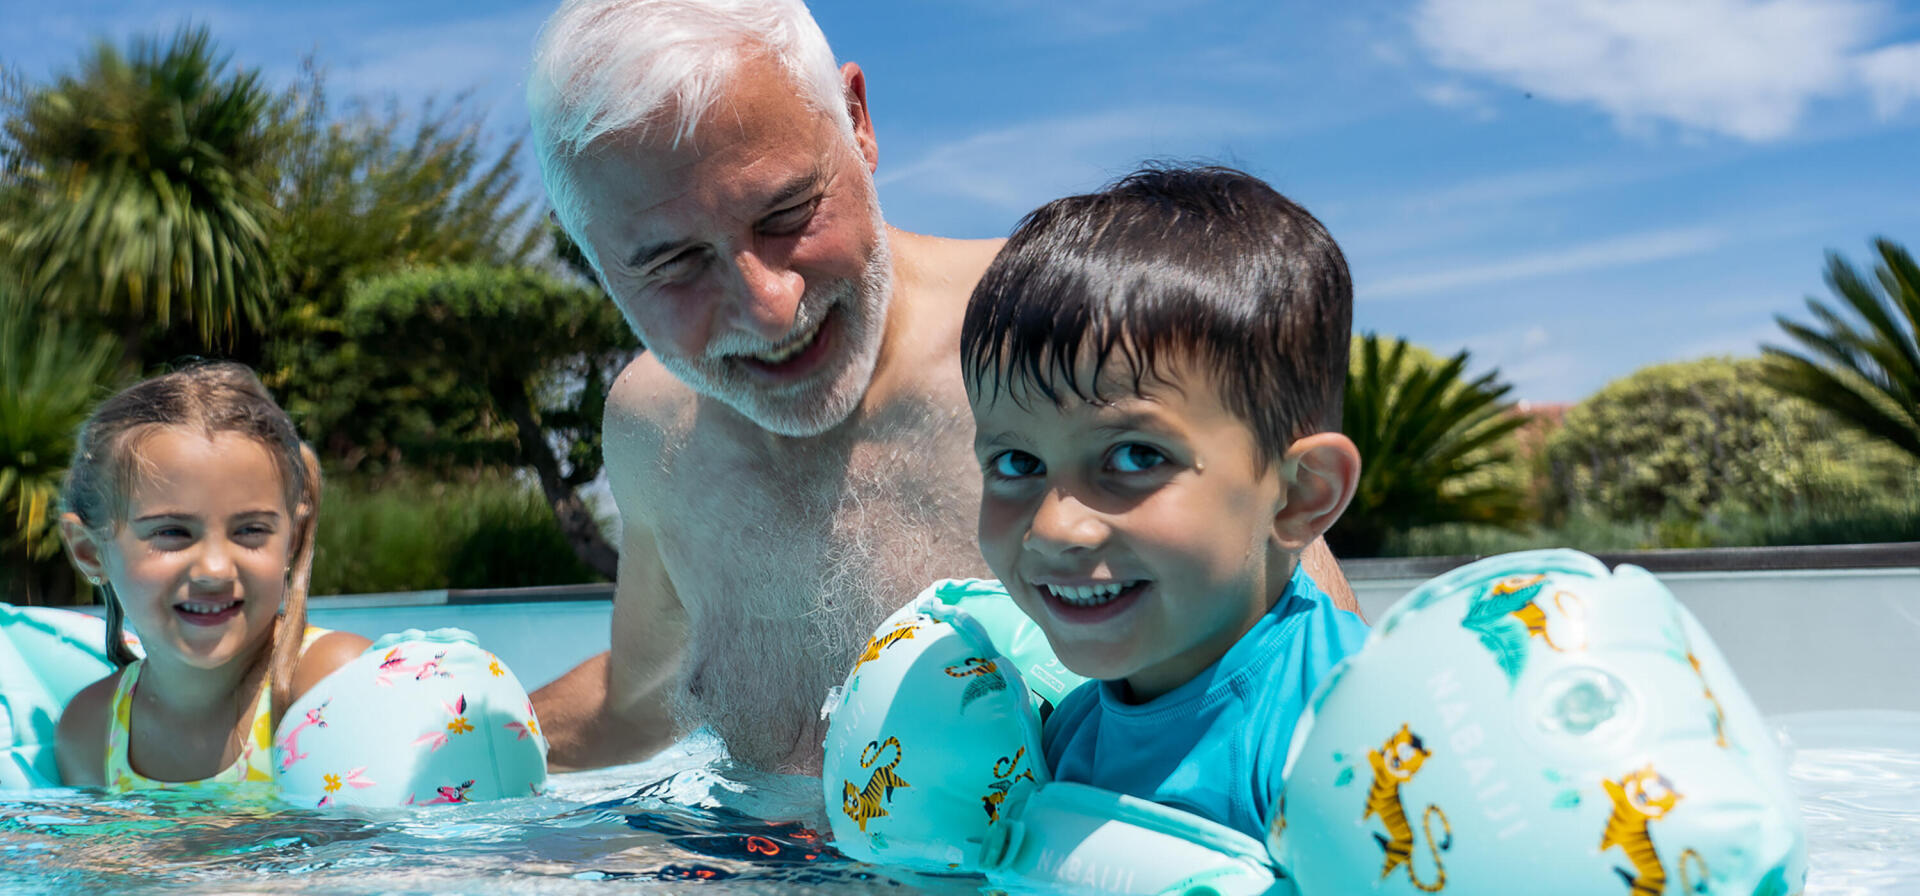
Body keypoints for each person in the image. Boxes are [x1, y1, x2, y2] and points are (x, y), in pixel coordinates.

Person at [525, 0, 1359, 775]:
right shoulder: (653, 425)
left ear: (856, 120)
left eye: (788, 214)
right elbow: (635, 701)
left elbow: (1332, 712)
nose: (768, 307)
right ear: (591, 249)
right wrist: (455, 746)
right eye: (674, 263)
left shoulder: (1074, 346)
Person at [956, 164, 1371, 840]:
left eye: (1135, 456)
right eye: (1018, 463)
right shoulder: (1068, 739)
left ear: (1301, 494)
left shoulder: (1349, 738)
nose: (1055, 527)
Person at [53, 363, 372, 789]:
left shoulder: (332, 683)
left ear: (291, 540)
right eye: (172, 532)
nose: (215, 570)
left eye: (251, 530)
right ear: (89, 551)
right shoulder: (90, 732)